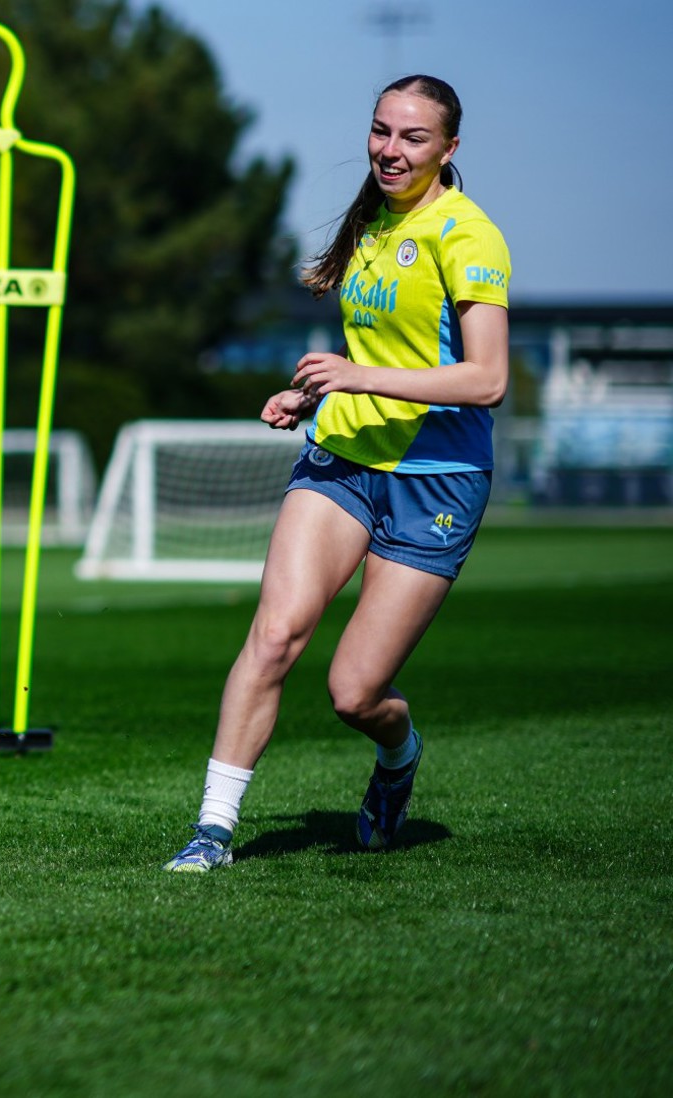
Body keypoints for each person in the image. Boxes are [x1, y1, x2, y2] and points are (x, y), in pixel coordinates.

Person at [164, 75, 511, 872]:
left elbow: (486, 381)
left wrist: (359, 378)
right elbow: (375, 355)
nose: (391, 150)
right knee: (276, 634)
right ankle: (212, 832)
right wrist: (311, 389)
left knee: (355, 693)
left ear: (449, 150)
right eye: (381, 131)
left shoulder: (470, 237)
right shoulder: (371, 221)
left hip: (437, 476)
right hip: (343, 458)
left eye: (413, 138)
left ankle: (398, 756)